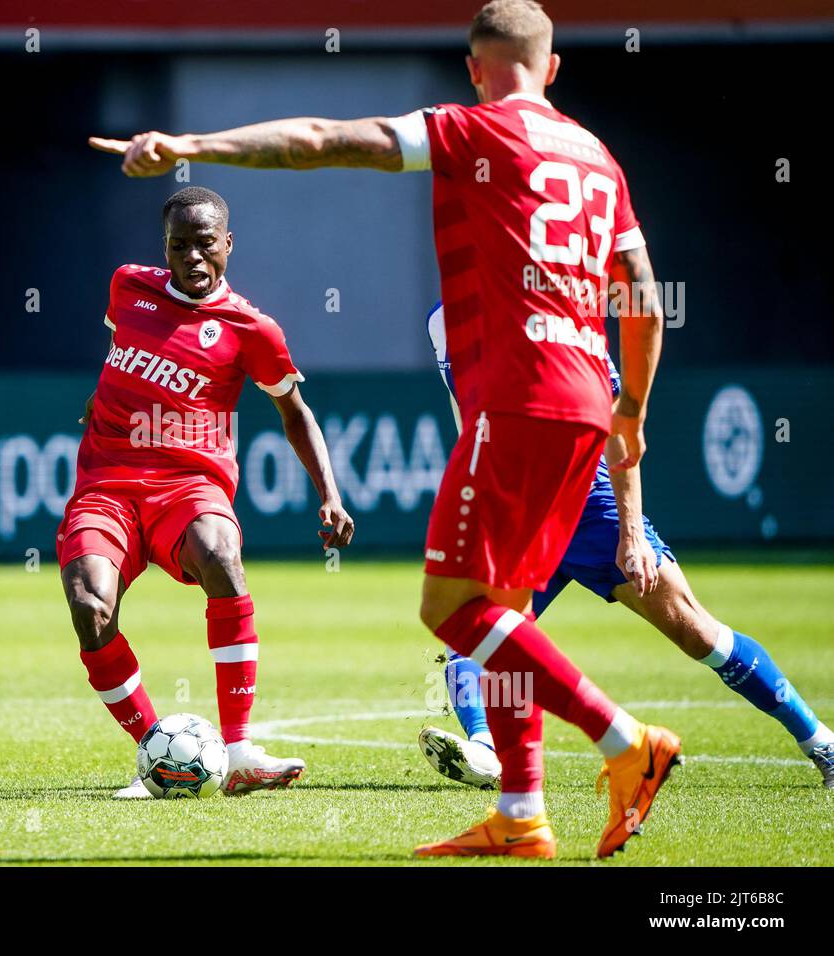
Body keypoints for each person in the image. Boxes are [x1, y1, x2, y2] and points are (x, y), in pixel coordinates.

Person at [90, 0, 679, 857]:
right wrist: (633, 409)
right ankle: (522, 815)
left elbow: (322, 138)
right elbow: (644, 297)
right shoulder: (597, 156)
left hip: (516, 398)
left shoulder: (473, 131)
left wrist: (191, 147)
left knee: (451, 608)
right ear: (552, 69)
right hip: (590, 398)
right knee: (507, 606)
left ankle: (628, 742)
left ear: (476, 69)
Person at [421, 302, 834, 790]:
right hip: (516, 509)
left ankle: (821, 743)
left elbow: (618, 425)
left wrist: (632, 533)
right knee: (470, 630)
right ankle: (487, 753)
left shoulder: (560, 309)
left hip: (588, 503)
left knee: (698, 634)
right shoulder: (442, 321)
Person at [61, 186, 354, 797]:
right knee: (91, 608)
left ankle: (240, 749)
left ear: (227, 245)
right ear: (164, 247)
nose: (192, 257)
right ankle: (157, 755)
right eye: (179, 245)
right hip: (106, 484)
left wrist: (330, 492)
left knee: (220, 552)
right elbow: (123, 352)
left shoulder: (252, 329)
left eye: (204, 245)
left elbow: (294, 411)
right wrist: (102, 402)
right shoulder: (127, 287)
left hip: (190, 483)